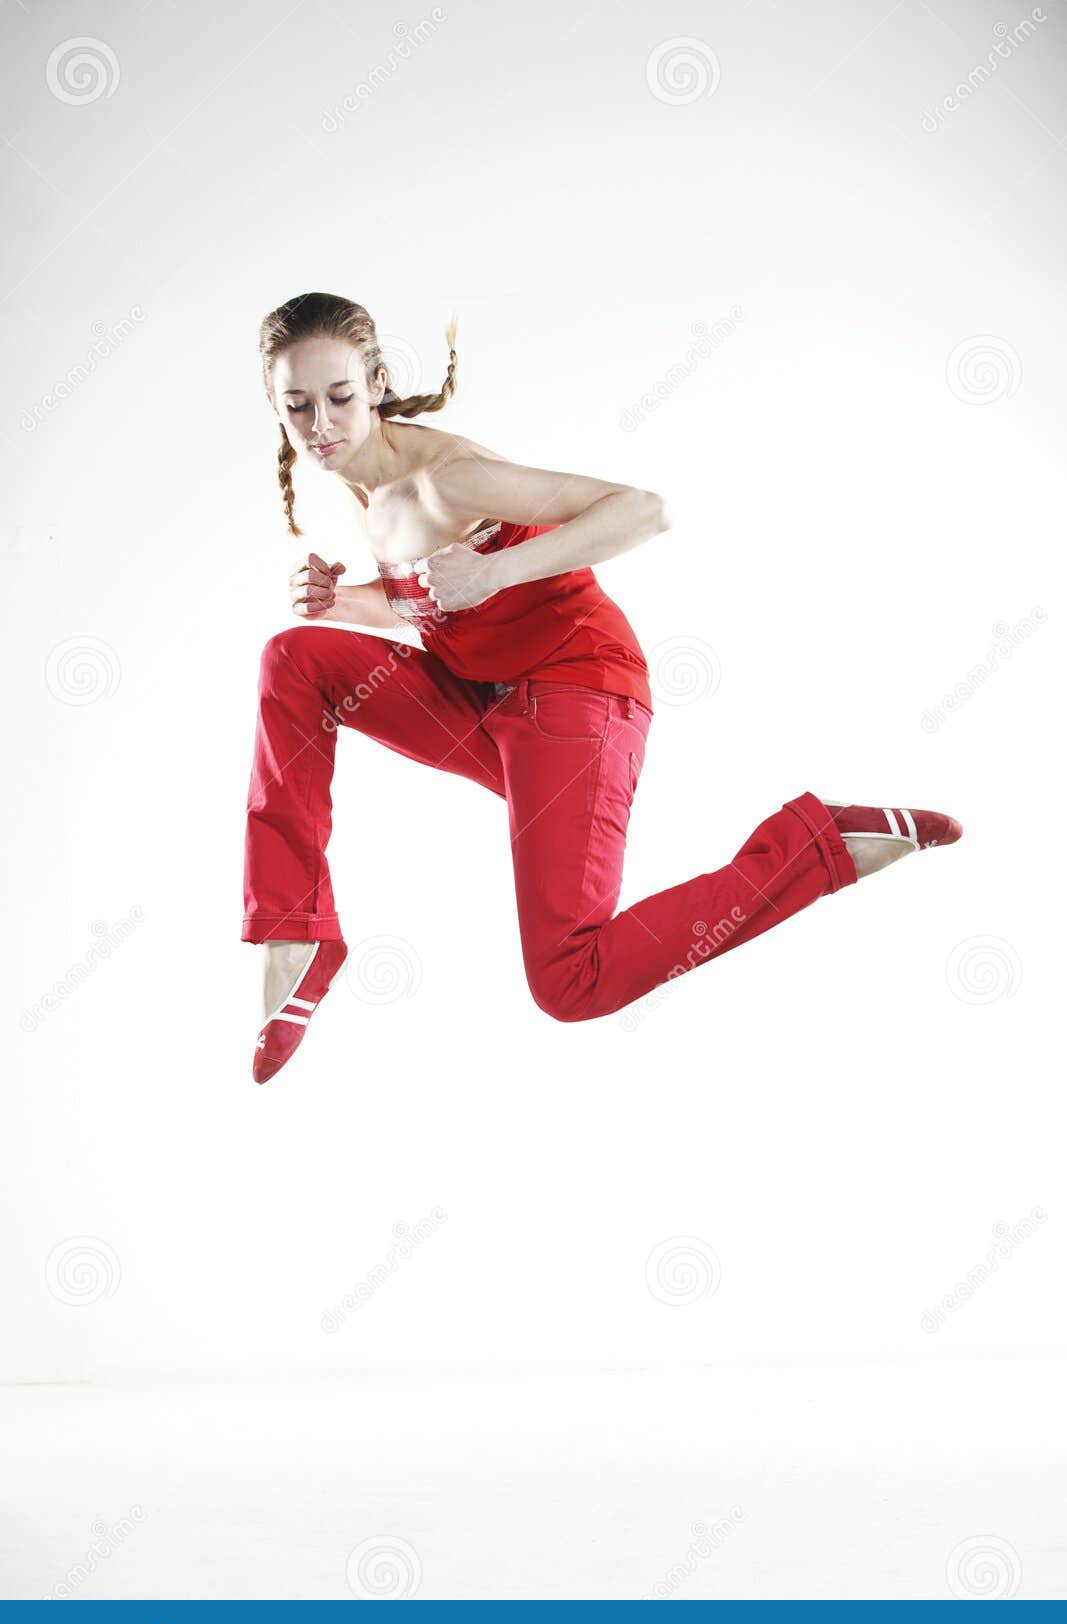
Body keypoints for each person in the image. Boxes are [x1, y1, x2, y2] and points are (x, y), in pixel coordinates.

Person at [243, 292, 962, 1083]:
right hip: (484, 701)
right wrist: (338, 604)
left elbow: (643, 510)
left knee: (569, 981)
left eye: (340, 398)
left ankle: (819, 847)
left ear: (376, 383)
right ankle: (297, 932)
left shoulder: (451, 479)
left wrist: (497, 569)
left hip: (575, 694)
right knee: (293, 659)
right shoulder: (361, 482)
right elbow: (434, 595)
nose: (321, 426)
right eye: (297, 406)